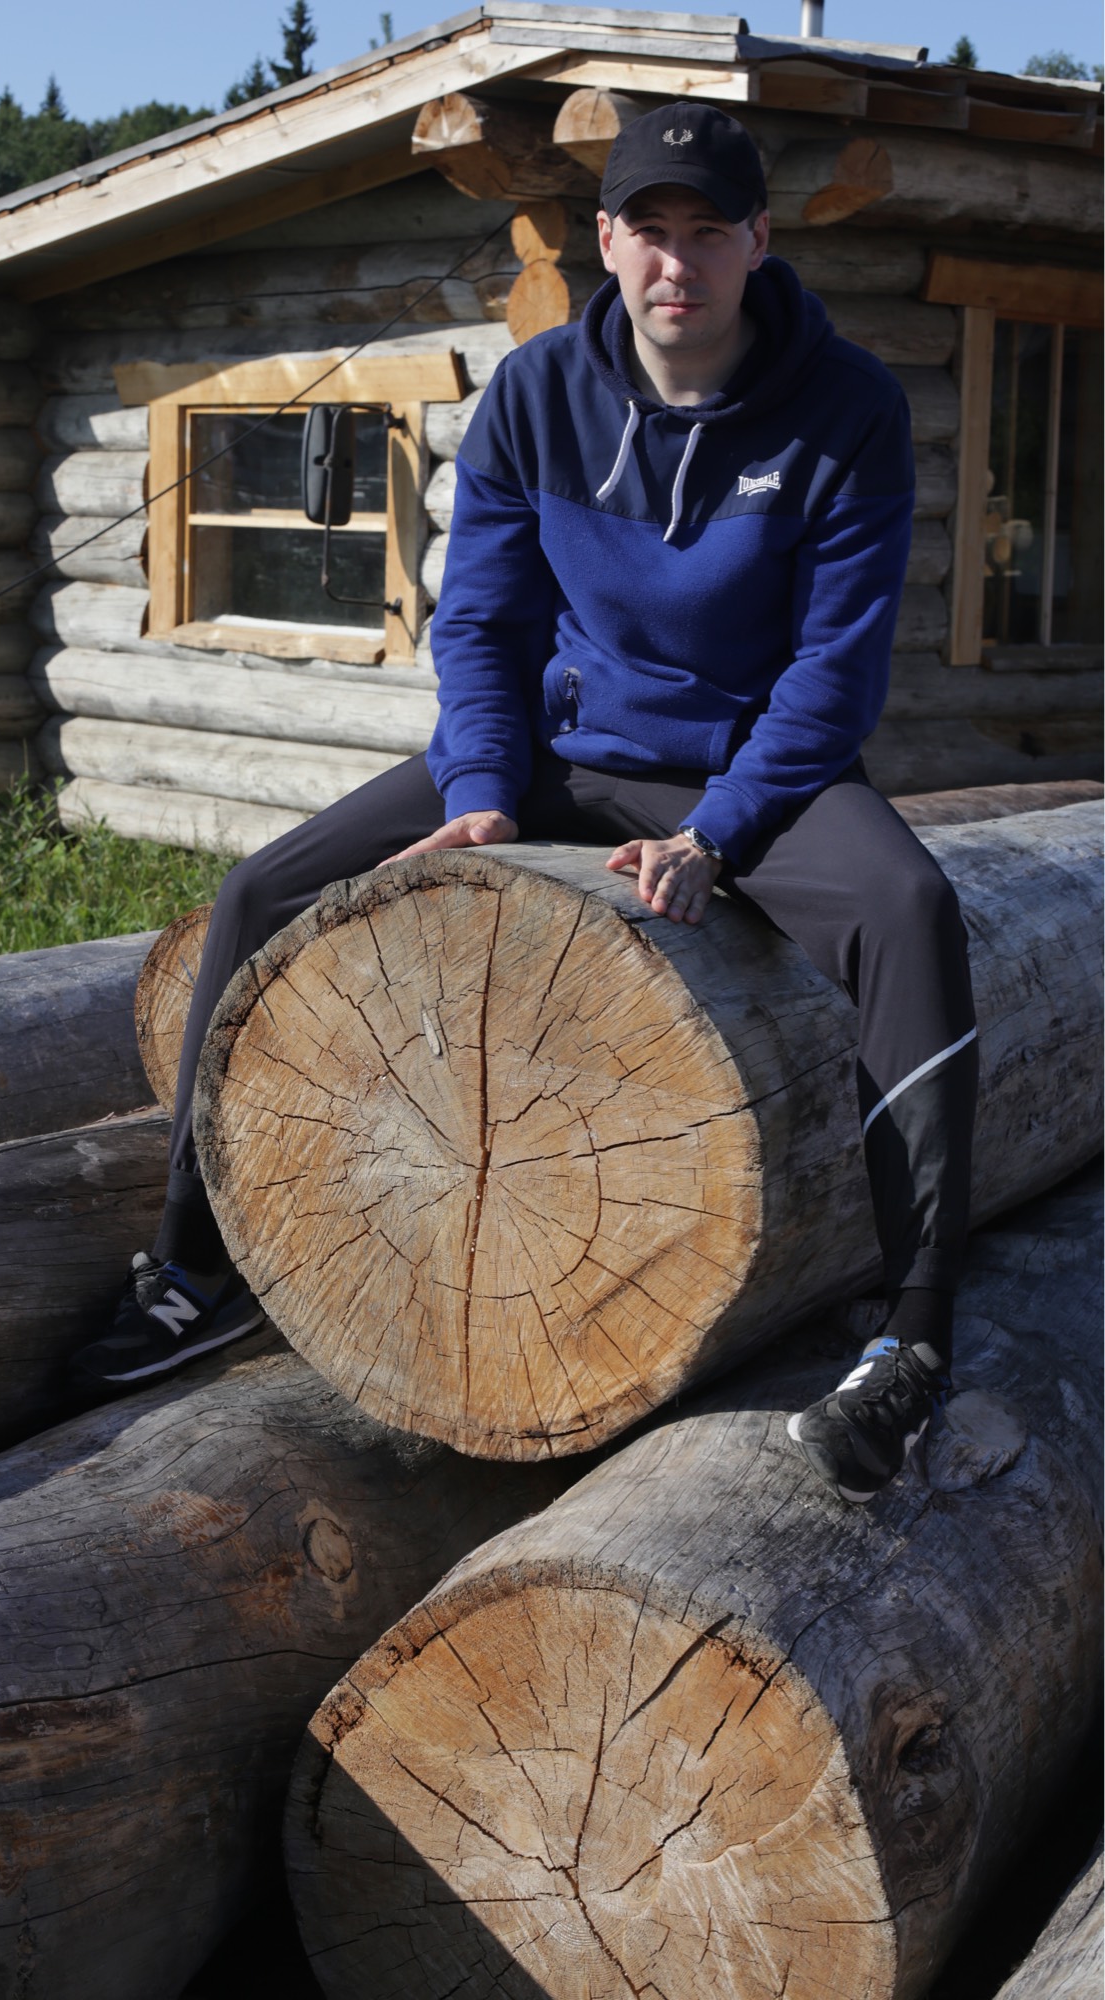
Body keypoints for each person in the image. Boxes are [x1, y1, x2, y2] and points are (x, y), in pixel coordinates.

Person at [72, 102, 979, 1505]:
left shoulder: (846, 408)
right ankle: (199, 1266)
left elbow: (832, 673)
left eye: (704, 235)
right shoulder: (535, 393)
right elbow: (484, 626)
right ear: (606, 239)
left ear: (754, 241)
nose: (674, 266)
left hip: (751, 767)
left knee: (910, 909)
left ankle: (909, 1349)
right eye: (648, 233)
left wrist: (716, 834)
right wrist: (488, 794)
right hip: (562, 749)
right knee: (260, 895)